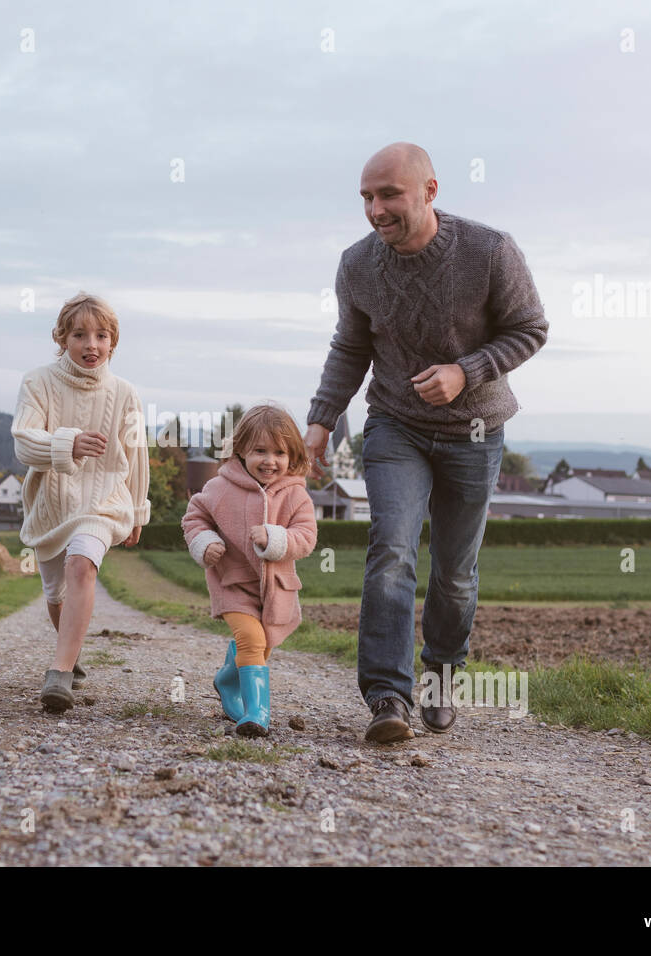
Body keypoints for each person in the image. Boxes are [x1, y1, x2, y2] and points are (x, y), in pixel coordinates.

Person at [303, 142, 548, 743]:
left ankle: (441, 677)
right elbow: (351, 347)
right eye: (366, 196)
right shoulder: (356, 265)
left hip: (475, 430)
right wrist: (320, 418)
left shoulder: (490, 251)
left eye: (389, 194)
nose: (375, 209)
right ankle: (388, 695)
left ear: (430, 191)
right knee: (391, 549)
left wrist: (466, 371)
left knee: (455, 573)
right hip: (395, 425)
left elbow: (531, 329)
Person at [11, 292, 151, 712]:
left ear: (113, 343)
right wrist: (68, 443)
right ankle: (70, 652)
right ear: (62, 338)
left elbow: (137, 454)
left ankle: (59, 673)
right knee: (55, 593)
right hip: (51, 504)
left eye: (101, 336)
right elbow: (23, 444)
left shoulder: (126, 393)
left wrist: (139, 509)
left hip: (105, 499)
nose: (92, 344)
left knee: (81, 564)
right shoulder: (37, 382)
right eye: (80, 335)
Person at [181, 404, 318, 736]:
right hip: (233, 582)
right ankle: (257, 713)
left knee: (263, 642)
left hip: (275, 589)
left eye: (279, 453)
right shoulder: (220, 488)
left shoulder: (296, 495)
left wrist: (276, 537)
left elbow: (307, 537)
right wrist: (204, 541)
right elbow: (194, 517)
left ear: (292, 456)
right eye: (260, 450)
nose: (270, 460)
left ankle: (227, 679)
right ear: (241, 449)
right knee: (251, 639)